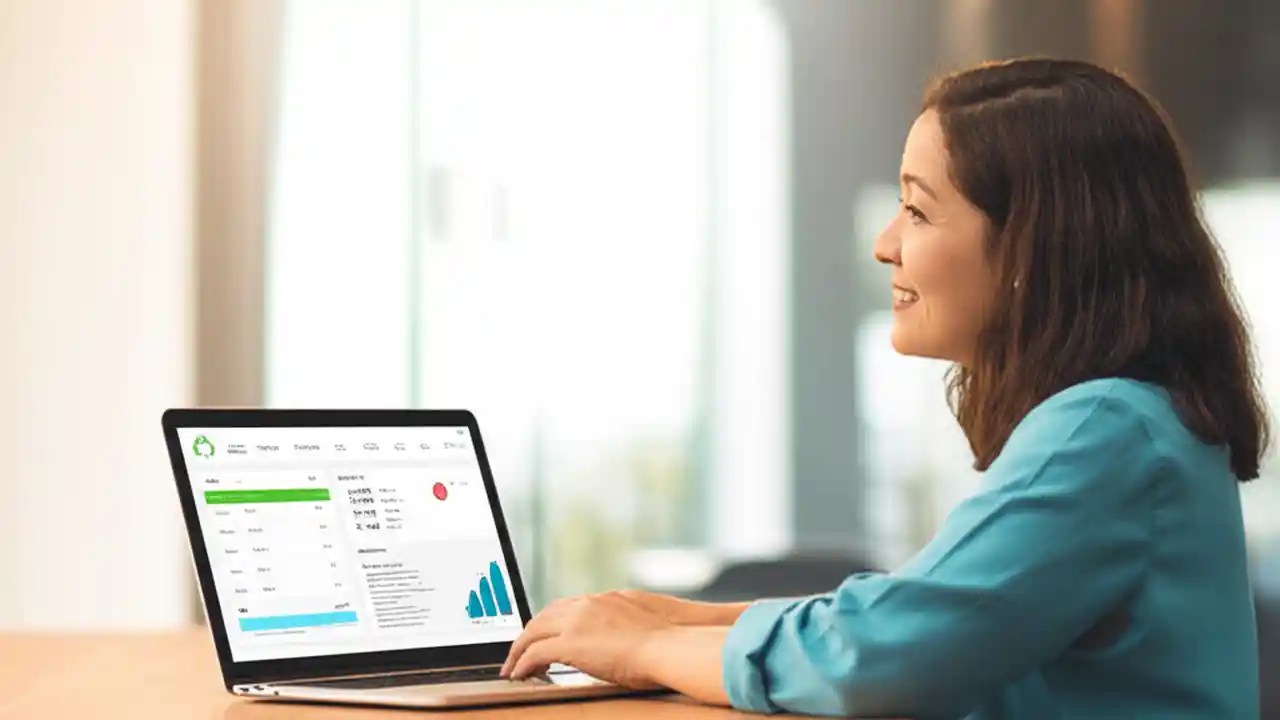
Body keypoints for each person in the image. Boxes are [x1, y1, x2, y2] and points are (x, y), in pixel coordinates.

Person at [500, 57, 1270, 718]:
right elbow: (927, 611)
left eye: (917, 209)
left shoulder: (1105, 428)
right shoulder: (1138, 419)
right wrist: (688, 620)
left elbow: (877, 658)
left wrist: (651, 645)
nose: (884, 243)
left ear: (1030, 249)